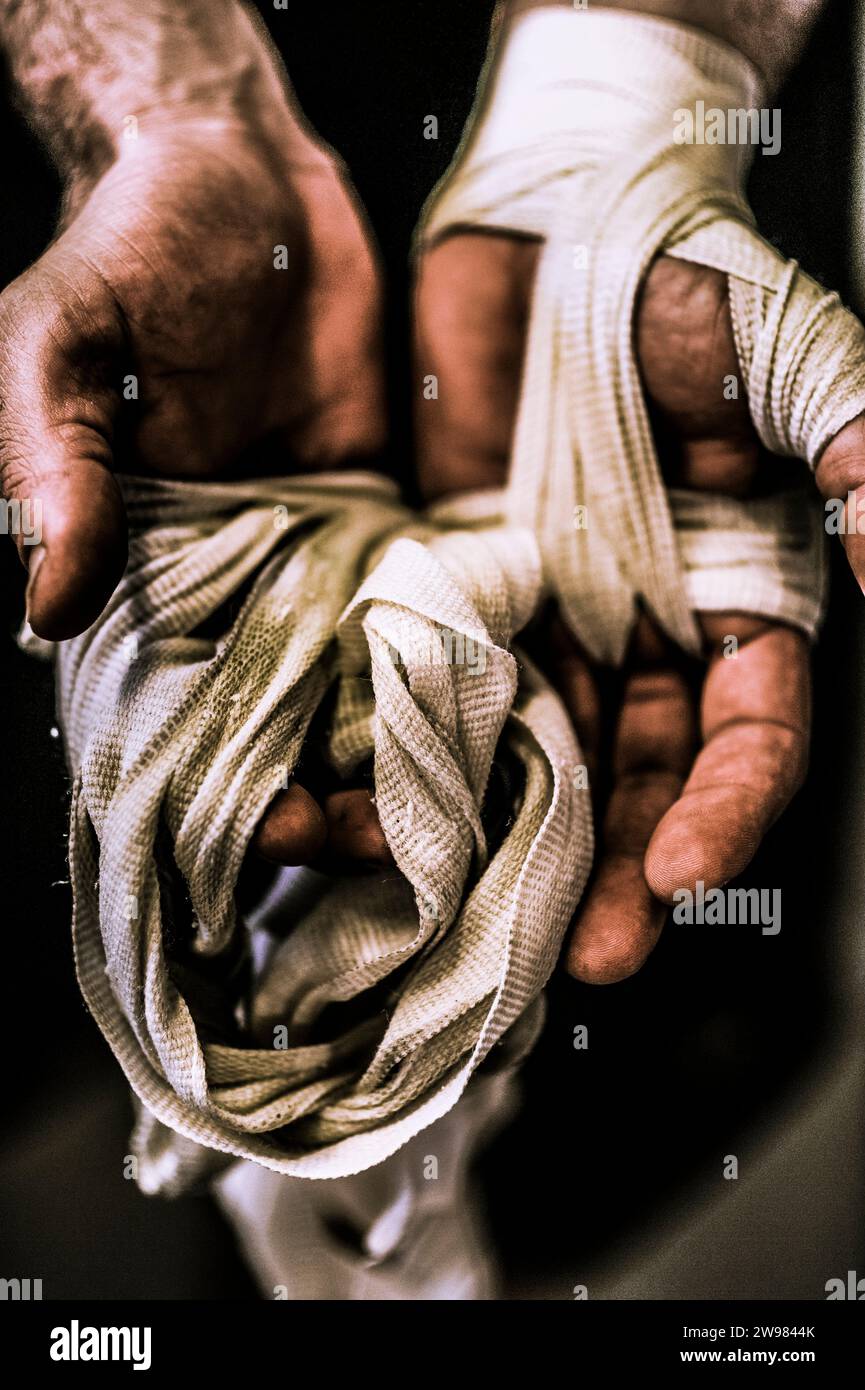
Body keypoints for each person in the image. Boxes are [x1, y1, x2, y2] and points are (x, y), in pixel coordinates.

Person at [0, 0, 861, 1298]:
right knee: (145, 896)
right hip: (192, 372)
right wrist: (161, 103)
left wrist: (619, 80)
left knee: (632, 1052)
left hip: (618, 448)